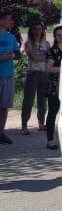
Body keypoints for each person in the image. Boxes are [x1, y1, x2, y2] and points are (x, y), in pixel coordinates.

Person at [21, 23, 50, 135]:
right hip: (32, 74)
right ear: (31, 30)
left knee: (42, 101)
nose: (38, 31)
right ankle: (24, 126)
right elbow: (35, 58)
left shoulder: (46, 44)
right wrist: (45, 57)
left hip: (44, 73)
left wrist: (43, 58)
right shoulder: (28, 43)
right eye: (35, 29)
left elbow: (50, 59)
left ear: (43, 30)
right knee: (28, 100)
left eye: (40, 29)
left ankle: (41, 124)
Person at [0, 11, 22, 145]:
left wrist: (14, 55)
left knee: (4, 107)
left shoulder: (12, 37)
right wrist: (1, 58)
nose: (11, 22)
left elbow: (18, 54)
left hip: (8, 76)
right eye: (8, 20)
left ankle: (1, 133)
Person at [45, 26, 62, 151]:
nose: (61, 37)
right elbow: (48, 68)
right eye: (58, 35)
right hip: (55, 85)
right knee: (53, 112)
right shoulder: (52, 51)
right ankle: (50, 141)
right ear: (55, 37)